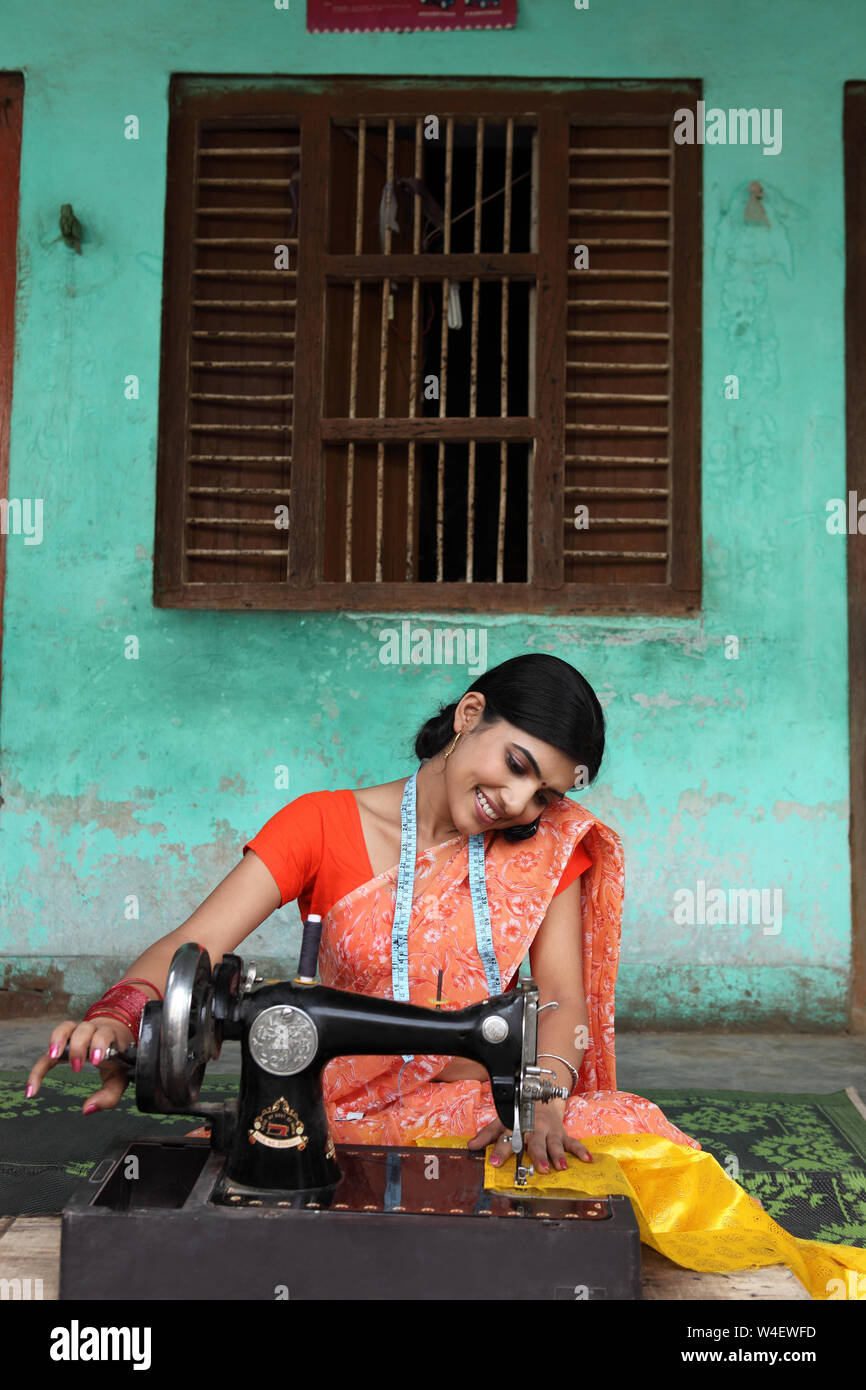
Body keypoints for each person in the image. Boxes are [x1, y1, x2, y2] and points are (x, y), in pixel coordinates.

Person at [25, 653, 866, 1298]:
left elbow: (563, 1001)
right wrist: (121, 1018)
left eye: (543, 792)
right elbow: (193, 945)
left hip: (466, 1116)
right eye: (517, 763)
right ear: (470, 715)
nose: (522, 802)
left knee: (629, 1133)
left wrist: (545, 1089)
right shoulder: (320, 822)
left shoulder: (546, 852)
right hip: (326, 1112)